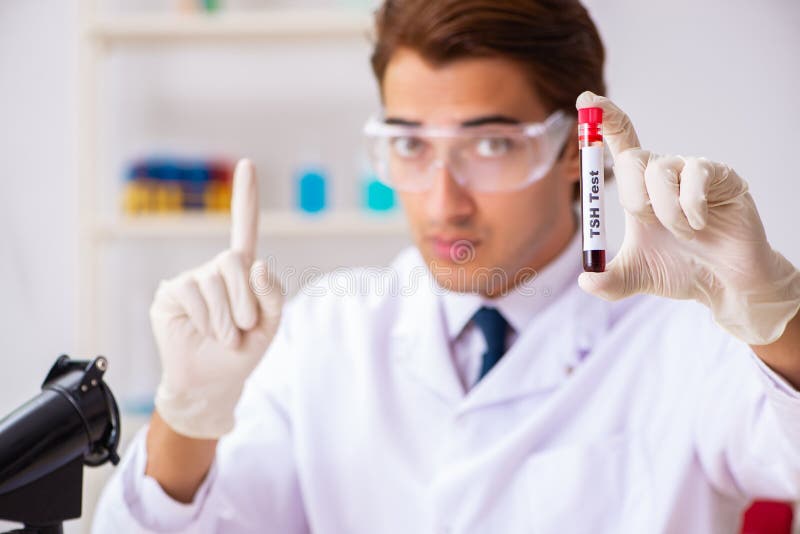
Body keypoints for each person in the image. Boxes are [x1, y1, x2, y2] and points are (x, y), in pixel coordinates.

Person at [93, 1, 800, 532]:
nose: (442, 200)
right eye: (408, 144)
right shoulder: (325, 331)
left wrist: (776, 316)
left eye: (491, 145)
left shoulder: (687, 336)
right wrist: (187, 418)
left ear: (574, 154)